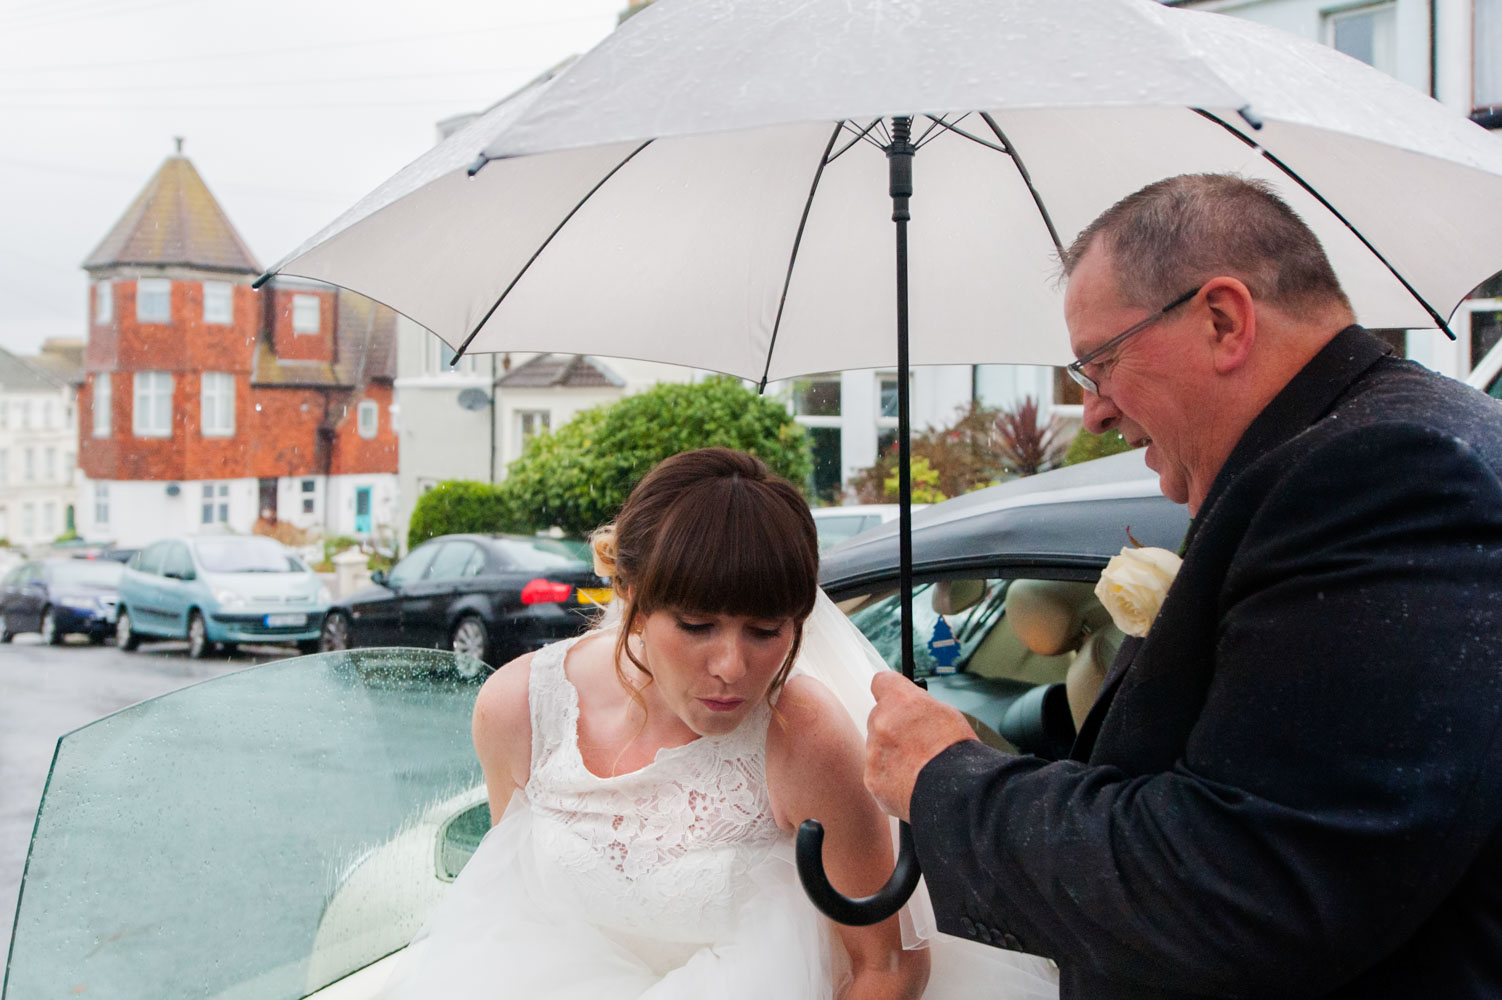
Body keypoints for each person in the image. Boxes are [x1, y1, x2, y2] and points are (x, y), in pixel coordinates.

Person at [864, 174, 1502, 998]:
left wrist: (946, 779)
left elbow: (1244, 885)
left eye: (1100, 363)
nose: (1094, 411)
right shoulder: (1347, 456)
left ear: (1222, 320)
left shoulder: (1387, 476)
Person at [377, 447, 1057, 999]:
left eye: (766, 630)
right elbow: (511, 904)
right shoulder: (519, 709)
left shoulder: (802, 739)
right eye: (697, 625)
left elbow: (889, 965)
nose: (733, 667)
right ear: (631, 597)